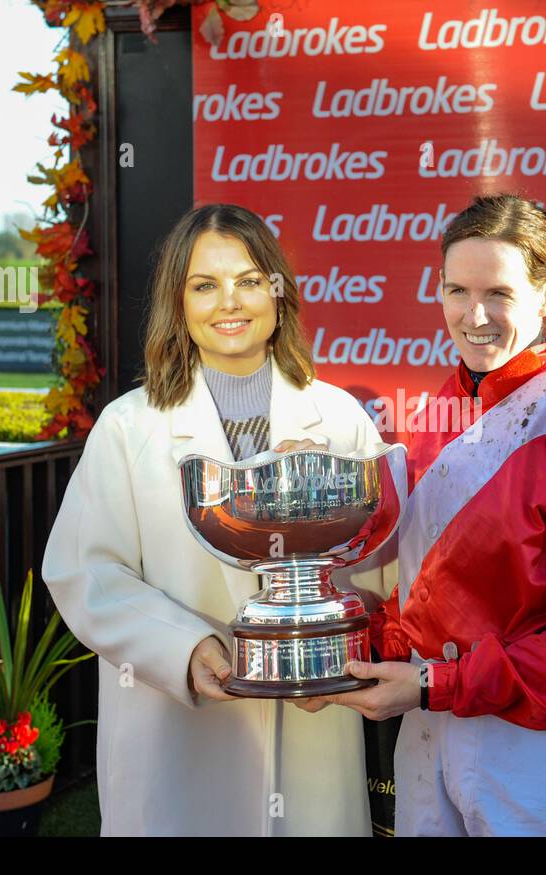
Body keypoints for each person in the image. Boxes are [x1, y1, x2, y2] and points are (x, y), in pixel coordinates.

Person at [307, 193, 546, 836]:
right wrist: (342, 654)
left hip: (544, 759)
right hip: (430, 741)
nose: (474, 316)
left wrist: (434, 685)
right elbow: (424, 585)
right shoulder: (447, 404)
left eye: (499, 294)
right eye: (457, 290)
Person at [41, 204, 386, 836]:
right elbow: (84, 573)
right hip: (175, 736)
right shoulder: (129, 426)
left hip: (311, 729)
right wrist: (184, 647)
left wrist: (327, 647)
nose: (229, 302)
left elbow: (380, 568)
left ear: (278, 293)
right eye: (204, 285)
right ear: (179, 303)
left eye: (249, 281)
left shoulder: (341, 420)